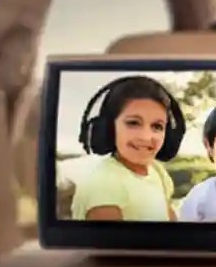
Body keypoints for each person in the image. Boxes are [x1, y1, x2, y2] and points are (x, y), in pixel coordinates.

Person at [71, 76, 180, 221]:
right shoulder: (103, 184)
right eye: (133, 123)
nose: (146, 137)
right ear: (109, 128)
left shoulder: (157, 171)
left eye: (157, 126)